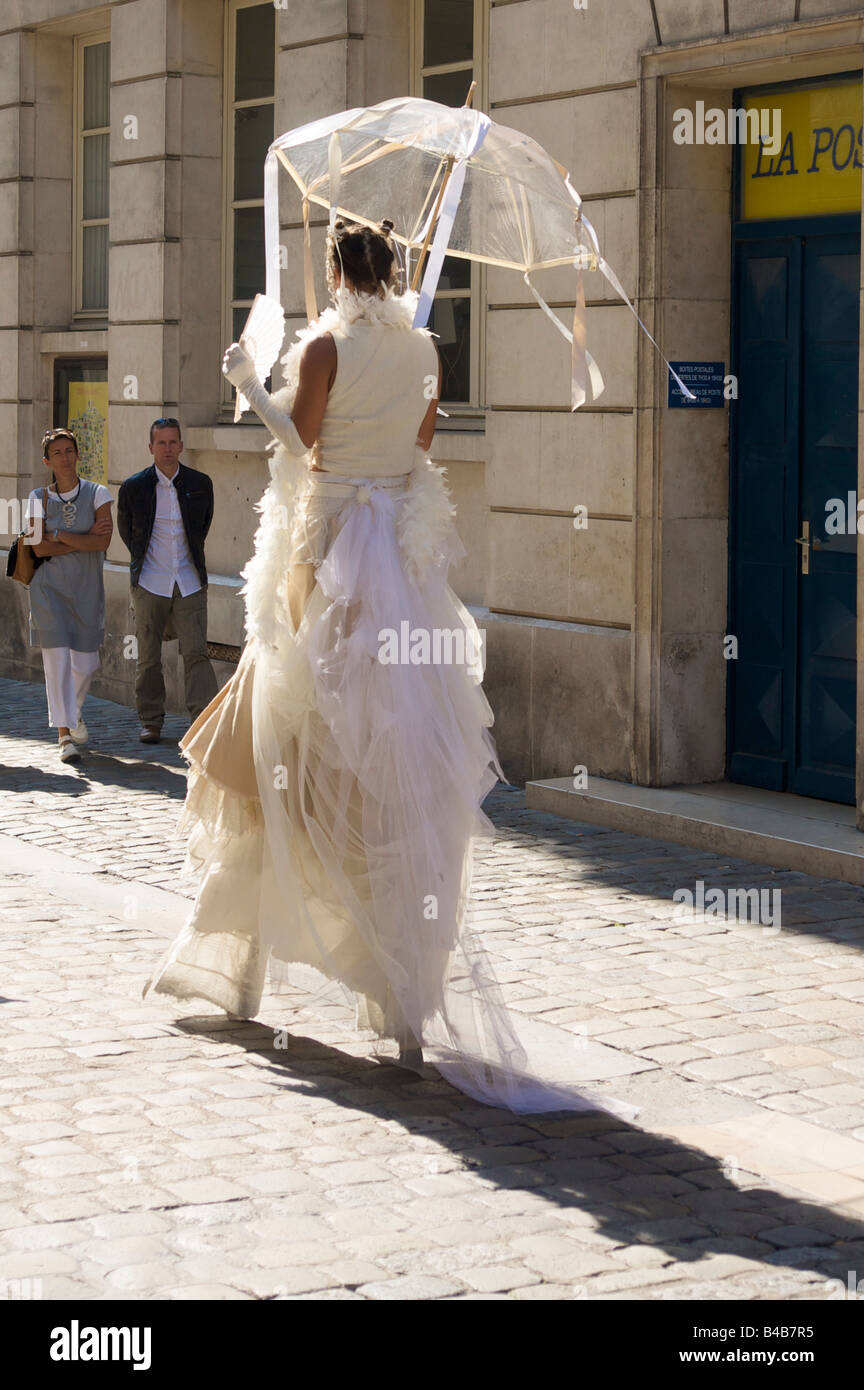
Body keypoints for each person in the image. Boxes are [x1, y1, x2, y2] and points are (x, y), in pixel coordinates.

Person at [144, 220, 636, 1120]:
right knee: (391, 771)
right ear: (397, 273)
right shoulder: (424, 350)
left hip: (325, 552)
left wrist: (249, 381)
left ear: (336, 271)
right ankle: (400, 1009)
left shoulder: (327, 343)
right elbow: (422, 449)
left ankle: (235, 971)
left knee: (273, 749)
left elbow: (300, 441)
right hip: (398, 575)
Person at [117, 419, 217, 743]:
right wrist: (142, 563)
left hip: (188, 580)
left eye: (173, 442)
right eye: (161, 443)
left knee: (196, 653)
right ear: (151, 448)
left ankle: (202, 721)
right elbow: (127, 530)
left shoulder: (200, 484)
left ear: (181, 446)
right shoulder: (134, 487)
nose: (168, 449)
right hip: (150, 581)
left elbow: (202, 526)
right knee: (148, 656)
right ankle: (151, 720)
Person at [26, 428, 113, 763]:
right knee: (58, 663)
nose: (64, 457)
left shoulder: (98, 494)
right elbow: (37, 545)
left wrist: (58, 533)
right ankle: (64, 737)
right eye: (57, 453)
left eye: (69, 450)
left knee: (86, 662)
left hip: (87, 591)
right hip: (47, 590)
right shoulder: (37, 498)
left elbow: (102, 543)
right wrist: (80, 538)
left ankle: (72, 714)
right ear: (48, 461)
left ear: (78, 455)